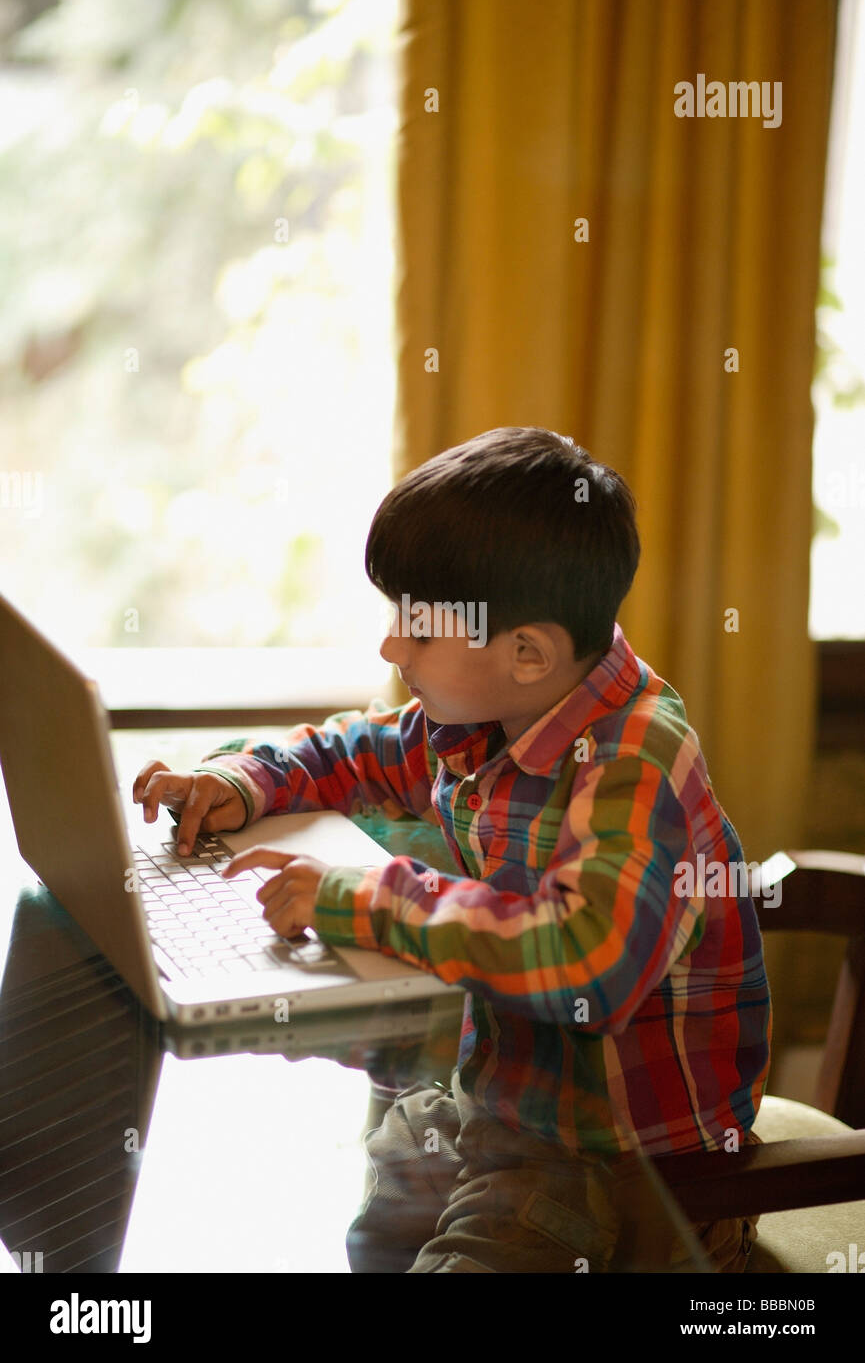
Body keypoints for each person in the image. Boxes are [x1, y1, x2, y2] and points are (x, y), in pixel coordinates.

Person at [132, 425, 771, 1273]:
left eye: (417, 629)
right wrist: (241, 781)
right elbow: (351, 752)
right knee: (369, 1225)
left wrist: (366, 896)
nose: (391, 648)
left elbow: (589, 960)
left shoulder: (636, 757)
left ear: (527, 652)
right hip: (508, 1106)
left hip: (625, 1164)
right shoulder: (487, 713)